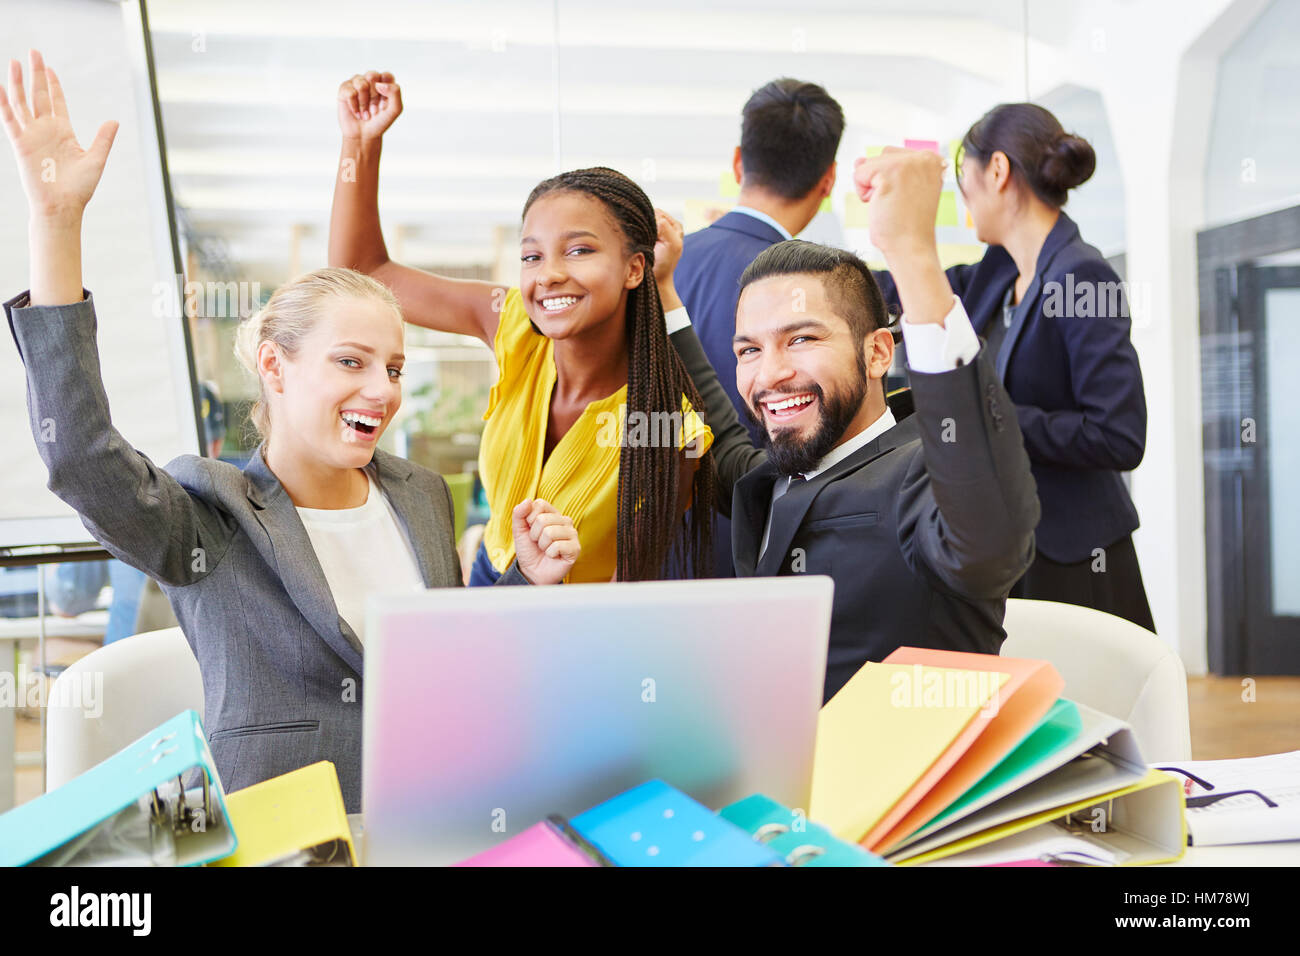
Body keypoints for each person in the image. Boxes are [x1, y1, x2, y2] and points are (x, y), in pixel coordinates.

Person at [0, 51, 579, 810]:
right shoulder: (211, 511)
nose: (383, 390)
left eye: (396, 369)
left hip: (432, 823)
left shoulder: (421, 496)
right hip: (284, 845)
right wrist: (56, 224)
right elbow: (80, 456)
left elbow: (454, 659)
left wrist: (521, 583)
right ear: (275, 367)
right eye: (351, 361)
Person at [666, 148, 1041, 702]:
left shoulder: (922, 476)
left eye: (801, 339)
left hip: (910, 783)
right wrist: (665, 295)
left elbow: (988, 527)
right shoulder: (778, 476)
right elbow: (723, 438)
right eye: (749, 349)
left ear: (877, 354)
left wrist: (912, 252)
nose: (771, 373)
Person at [329, 71, 718, 583]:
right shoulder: (514, 325)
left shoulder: (671, 428)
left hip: (577, 628)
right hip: (491, 580)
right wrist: (360, 143)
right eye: (531, 255)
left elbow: (640, 587)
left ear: (634, 269)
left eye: (579, 250)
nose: (549, 273)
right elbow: (363, 274)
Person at [874, 104, 1154, 631]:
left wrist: (991, 419)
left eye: (964, 180)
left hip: (1074, 553)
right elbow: (907, 286)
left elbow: (1120, 435)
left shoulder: (1082, 278)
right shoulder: (999, 274)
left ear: (997, 171)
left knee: (1081, 709)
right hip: (1017, 544)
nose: (961, 200)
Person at [673, 77, 843, 577]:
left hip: (660, 544)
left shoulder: (664, 265)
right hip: (762, 541)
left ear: (737, 162)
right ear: (828, 180)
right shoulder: (816, 286)